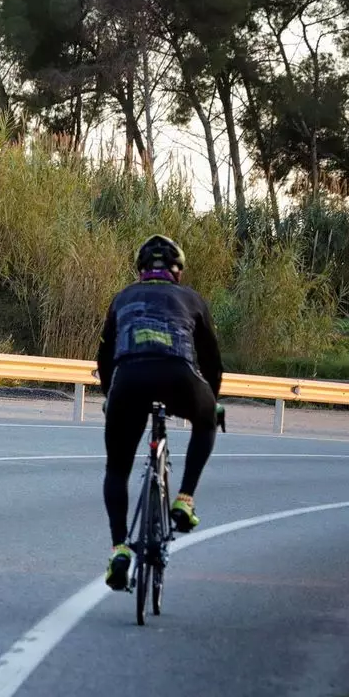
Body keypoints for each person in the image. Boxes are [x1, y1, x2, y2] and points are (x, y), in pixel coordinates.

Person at [96, 234, 225, 591]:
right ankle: (184, 500)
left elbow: (103, 359)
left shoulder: (122, 297)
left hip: (129, 381)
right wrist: (211, 402)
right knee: (206, 419)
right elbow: (212, 362)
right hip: (178, 377)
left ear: (140, 272)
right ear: (177, 272)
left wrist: (111, 397)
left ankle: (120, 547)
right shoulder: (192, 299)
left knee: (116, 469)